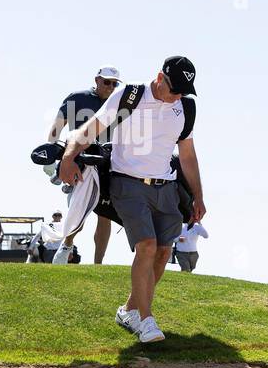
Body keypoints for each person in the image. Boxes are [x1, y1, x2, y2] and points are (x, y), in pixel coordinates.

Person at [58, 55, 206, 344]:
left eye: (183, 92)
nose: (177, 96)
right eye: (173, 89)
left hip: (166, 186)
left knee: (164, 252)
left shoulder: (185, 107)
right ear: (160, 78)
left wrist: (198, 195)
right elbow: (89, 130)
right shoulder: (130, 96)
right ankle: (147, 322)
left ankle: (129, 311)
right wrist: (67, 156)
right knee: (147, 246)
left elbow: (187, 155)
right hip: (127, 183)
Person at [47, 66, 121, 264]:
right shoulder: (78, 97)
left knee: (105, 214)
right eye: (106, 82)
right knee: (78, 211)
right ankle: (67, 244)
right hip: (80, 161)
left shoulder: (119, 103)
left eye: (114, 84)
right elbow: (57, 126)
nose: (110, 87)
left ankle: (98, 263)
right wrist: (52, 154)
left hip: (110, 162)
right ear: (97, 80)